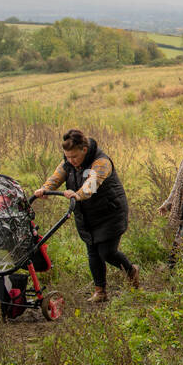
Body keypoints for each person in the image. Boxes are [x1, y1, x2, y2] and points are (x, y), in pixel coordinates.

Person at [33, 128, 137, 303]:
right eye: (67, 157)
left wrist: (77, 195)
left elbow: (91, 184)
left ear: (84, 150)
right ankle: (100, 291)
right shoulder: (68, 163)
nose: (71, 160)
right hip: (87, 214)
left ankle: (131, 270)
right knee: (93, 252)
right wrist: (45, 189)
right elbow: (56, 177)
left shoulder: (101, 162)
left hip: (110, 213)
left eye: (74, 157)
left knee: (107, 252)